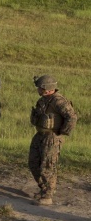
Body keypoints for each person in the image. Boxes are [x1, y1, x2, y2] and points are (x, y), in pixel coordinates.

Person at [29, 75, 77, 206]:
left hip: (52, 137)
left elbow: (71, 117)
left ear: (47, 88)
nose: (38, 89)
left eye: (40, 87)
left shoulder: (58, 101)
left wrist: (62, 132)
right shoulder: (43, 100)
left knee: (47, 166)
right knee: (33, 163)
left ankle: (47, 195)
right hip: (40, 135)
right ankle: (44, 188)